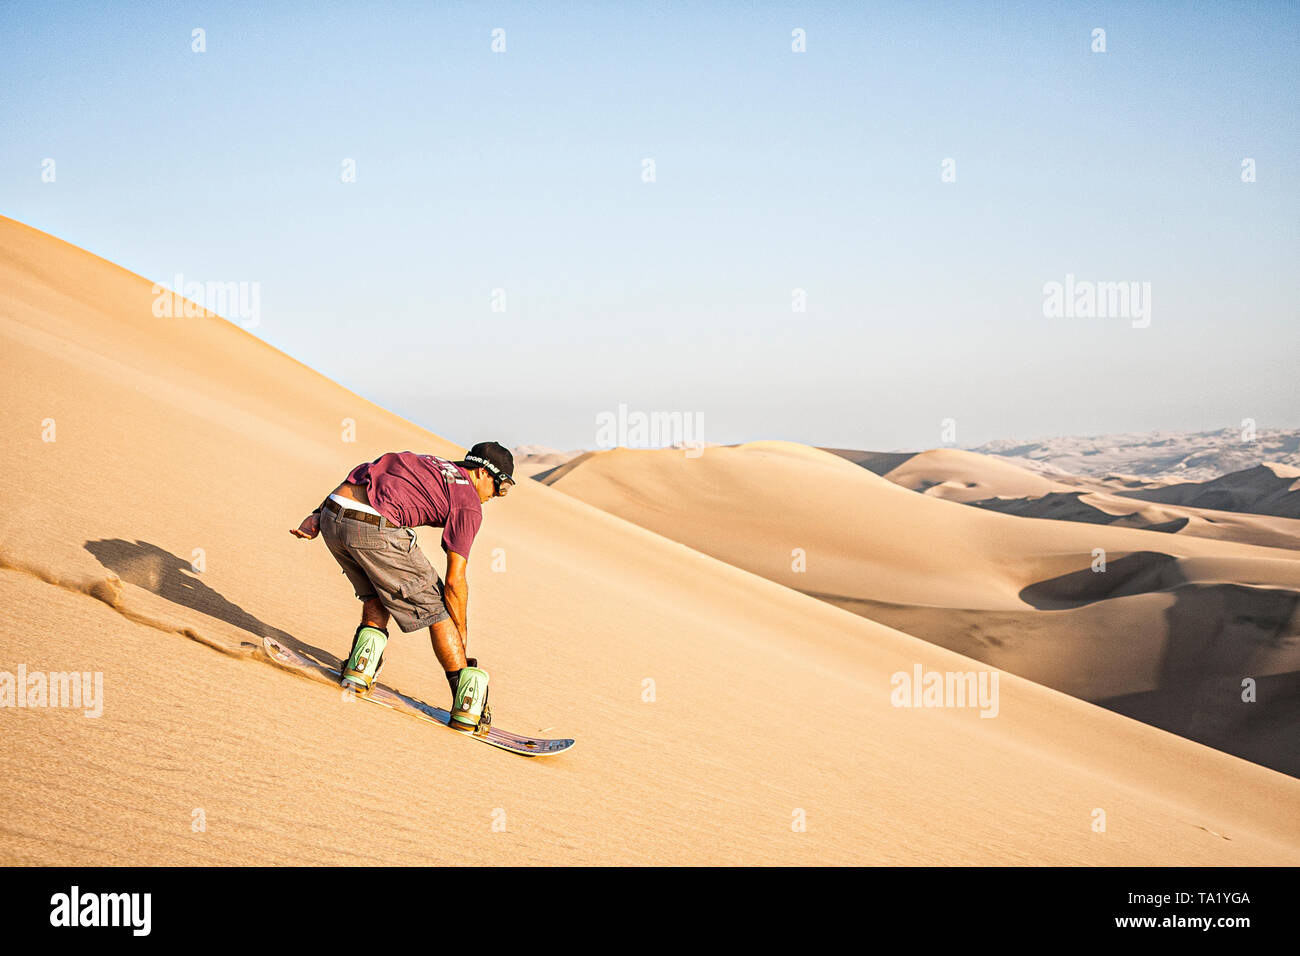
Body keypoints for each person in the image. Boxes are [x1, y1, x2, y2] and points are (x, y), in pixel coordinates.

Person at [290, 442, 514, 733]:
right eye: (501, 487)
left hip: (333, 516)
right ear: (484, 473)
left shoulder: (433, 464)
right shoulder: (468, 501)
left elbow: (367, 470)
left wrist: (318, 514)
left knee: (378, 587)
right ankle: (467, 703)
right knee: (437, 606)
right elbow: (454, 581)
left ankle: (360, 669)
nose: (496, 496)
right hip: (372, 525)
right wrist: (459, 637)